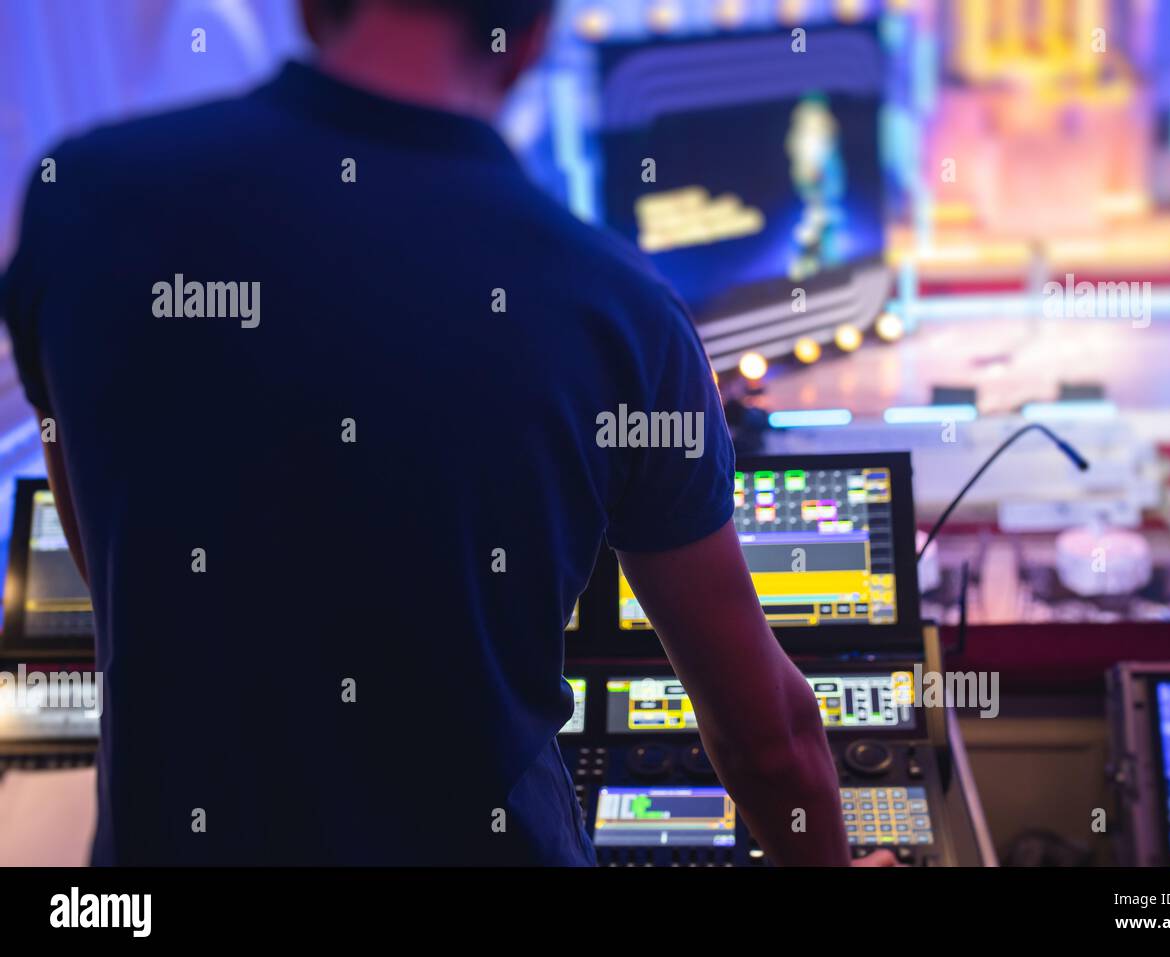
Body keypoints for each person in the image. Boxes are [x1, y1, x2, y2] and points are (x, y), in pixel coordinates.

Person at [2, 0, 895, 866]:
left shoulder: (79, 202)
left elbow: (109, 555)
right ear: (529, 37)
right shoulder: (623, 314)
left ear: (313, 7)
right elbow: (765, 739)